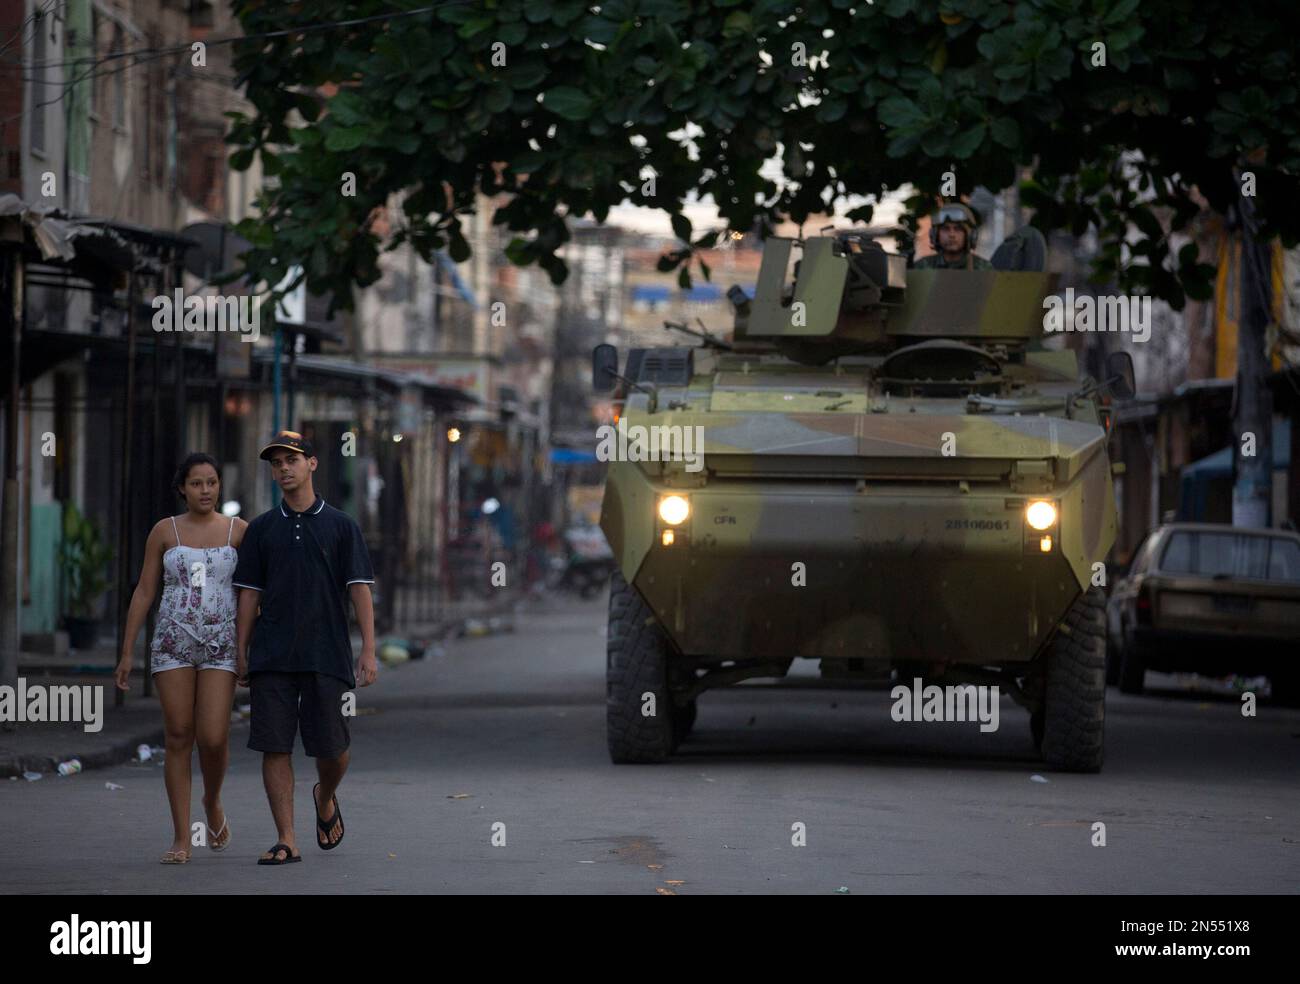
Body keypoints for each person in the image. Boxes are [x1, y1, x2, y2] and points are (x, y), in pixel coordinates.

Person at [233, 430, 377, 865]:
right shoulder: (261, 530)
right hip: (272, 655)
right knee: (274, 745)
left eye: (292, 460)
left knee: (332, 750)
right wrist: (241, 650)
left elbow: (360, 590)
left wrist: (368, 650)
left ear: (312, 464)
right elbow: (249, 595)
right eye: (277, 462)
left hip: (325, 653)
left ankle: (325, 795)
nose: (284, 468)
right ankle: (287, 838)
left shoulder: (340, 525)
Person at [115, 453, 246, 864]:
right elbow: (143, 591)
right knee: (177, 734)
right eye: (196, 483)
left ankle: (212, 800)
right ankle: (181, 838)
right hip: (172, 641)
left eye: (211, 482)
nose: (205, 490)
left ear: (219, 487)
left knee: (213, 736)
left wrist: (249, 647)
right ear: (182, 489)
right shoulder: (164, 531)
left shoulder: (239, 532)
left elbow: (254, 594)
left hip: (220, 643)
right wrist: (126, 652)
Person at [913, 202, 994, 269]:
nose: (952, 235)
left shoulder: (983, 268)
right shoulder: (923, 267)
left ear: (970, 235)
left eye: (958, 229)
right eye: (945, 229)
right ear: (935, 234)